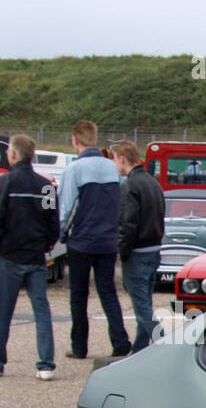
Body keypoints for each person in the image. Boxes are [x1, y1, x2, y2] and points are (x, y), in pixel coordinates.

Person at [60, 120, 130, 359]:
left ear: (75, 140)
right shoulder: (112, 168)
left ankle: (80, 347)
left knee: (78, 295)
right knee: (108, 291)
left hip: (82, 240)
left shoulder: (74, 169)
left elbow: (66, 207)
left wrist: (60, 233)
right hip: (108, 241)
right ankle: (121, 341)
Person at [0, 134, 59, 379]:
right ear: (33, 155)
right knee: (42, 310)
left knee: (4, 311)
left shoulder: (5, 183)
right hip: (36, 256)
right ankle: (46, 364)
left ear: (13, 154)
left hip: (10, 255)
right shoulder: (45, 186)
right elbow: (53, 224)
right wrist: (45, 246)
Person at [113, 140, 165, 353]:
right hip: (154, 249)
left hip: (137, 252)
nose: (115, 164)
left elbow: (128, 222)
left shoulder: (130, 186)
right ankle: (140, 349)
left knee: (141, 307)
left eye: (115, 160)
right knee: (145, 303)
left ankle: (164, 346)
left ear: (123, 159)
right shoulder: (153, 182)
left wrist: (122, 251)